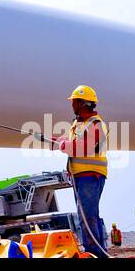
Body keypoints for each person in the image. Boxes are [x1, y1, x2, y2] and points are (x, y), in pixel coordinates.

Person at [52, 84, 109, 258]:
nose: (72, 105)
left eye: (74, 102)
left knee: (87, 216)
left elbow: (84, 147)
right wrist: (56, 141)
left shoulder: (96, 124)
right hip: (81, 177)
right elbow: (71, 143)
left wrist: (65, 146)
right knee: (88, 215)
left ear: (83, 103)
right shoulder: (78, 124)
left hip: (91, 176)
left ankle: (94, 252)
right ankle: (99, 251)